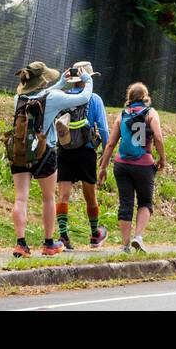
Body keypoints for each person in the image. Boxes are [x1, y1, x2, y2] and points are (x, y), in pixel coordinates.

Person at [7, 61, 92, 257]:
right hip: (45, 152)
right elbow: (83, 98)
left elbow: (40, 96)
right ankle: (48, 243)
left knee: (21, 198)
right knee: (48, 198)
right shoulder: (53, 97)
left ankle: (21, 244)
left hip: (20, 152)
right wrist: (86, 80)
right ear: (44, 80)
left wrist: (61, 82)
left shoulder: (17, 98)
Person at [98, 82, 165, 253]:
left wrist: (103, 167)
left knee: (125, 203)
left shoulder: (122, 115)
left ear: (129, 98)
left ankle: (125, 245)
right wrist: (162, 158)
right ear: (145, 97)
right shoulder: (151, 113)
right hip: (143, 164)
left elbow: (111, 144)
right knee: (145, 202)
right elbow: (157, 136)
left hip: (122, 165)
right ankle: (138, 237)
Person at [54, 60, 110, 250]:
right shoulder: (94, 99)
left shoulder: (61, 97)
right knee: (90, 196)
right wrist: (105, 155)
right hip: (86, 151)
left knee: (63, 196)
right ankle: (95, 234)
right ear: (88, 78)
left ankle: (63, 237)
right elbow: (104, 129)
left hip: (64, 151)